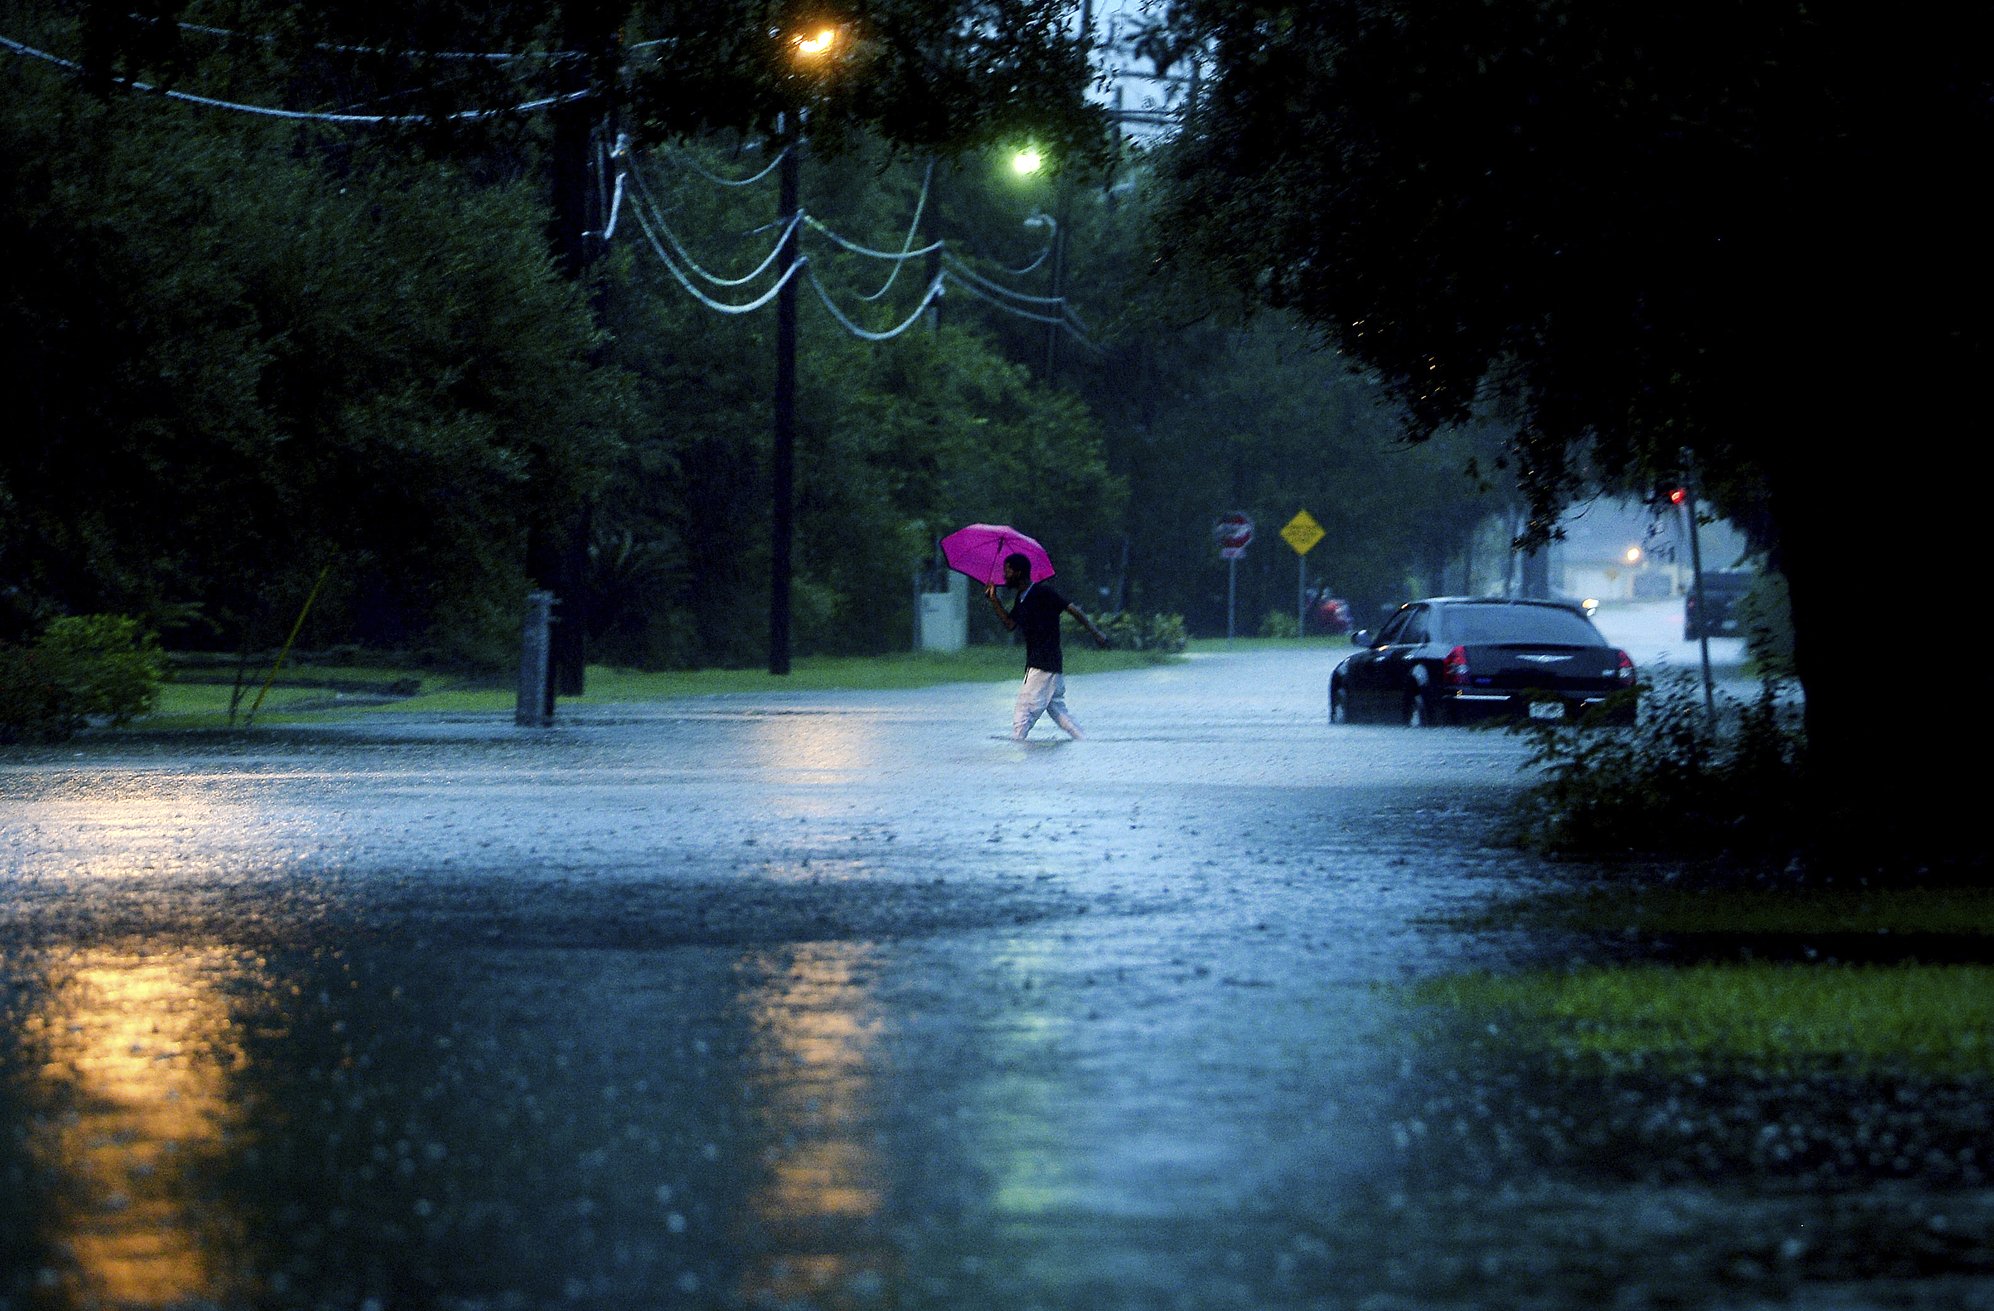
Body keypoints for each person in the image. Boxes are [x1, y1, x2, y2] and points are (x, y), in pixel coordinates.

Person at [984, 552, 1109, 741]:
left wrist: (1096, 633)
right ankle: (1086, 742)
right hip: (1045, 665)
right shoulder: (1021, 598)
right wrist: (994, 600)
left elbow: (1073, 609)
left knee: (1023, 712)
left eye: (1007, 571)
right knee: (1057, 711)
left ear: (1018, 572)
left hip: (1042, 665)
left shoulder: (1043, 593)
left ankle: (1016, 749)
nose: (1004, 576)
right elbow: (1010, 624)